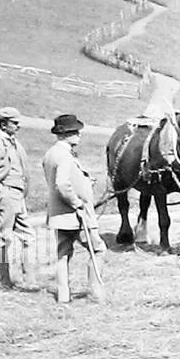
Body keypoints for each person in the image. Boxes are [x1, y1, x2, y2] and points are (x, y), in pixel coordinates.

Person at [43, 114, 105, 304]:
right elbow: (62, 185)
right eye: (76, 132)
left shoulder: (51, 153)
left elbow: (57, 181)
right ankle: (96, 293)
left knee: (63, 254)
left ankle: (63, 296)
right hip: (76, 215)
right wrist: (76, 202)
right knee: (98, 250)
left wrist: (85, 181)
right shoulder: (64, 155)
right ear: (66, 134)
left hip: (59, 215)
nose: (79, 135)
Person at [0, 106, 33, 288]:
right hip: (7, 196)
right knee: (5, 238)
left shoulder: (14, 143)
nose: (19, 126)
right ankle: (5, 280)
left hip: (18, 196)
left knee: (29, 236)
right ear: (3, 124)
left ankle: (29, 279)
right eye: (15, 123)